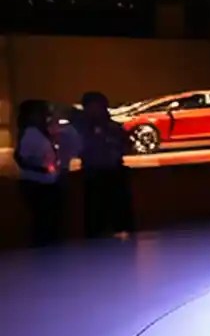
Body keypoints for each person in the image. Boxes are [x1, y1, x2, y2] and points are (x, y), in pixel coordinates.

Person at [76, 91, 135, 238]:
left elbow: (127, 146)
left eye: (97, 107)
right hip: (93, 176)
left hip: (115, 175)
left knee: (120, 217)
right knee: (96, 220)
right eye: (90, 107)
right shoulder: (81, 129)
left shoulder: (114, 128)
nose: (94, 111)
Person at [14, 100, 66, 246]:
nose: (45, 116)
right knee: (45, 222)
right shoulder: (31, 133)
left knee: (46, 222)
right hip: (38, 184)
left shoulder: (38, 133)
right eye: (41, 112)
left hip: (43, 183)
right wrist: (45, 169)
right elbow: (22, 159)